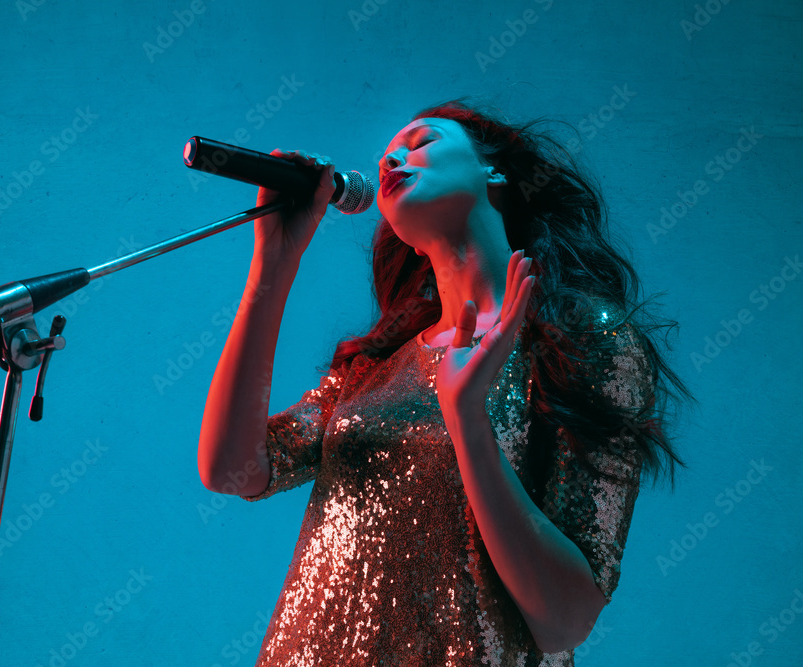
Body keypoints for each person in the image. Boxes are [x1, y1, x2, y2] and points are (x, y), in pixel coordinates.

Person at [198, 98, 694, 666]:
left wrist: (468, 420)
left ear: (495, 172)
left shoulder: (587, 340)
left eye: (420, 142)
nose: (392, 159)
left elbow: (564, 621)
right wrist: (274, 263)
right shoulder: (378, 365)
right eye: (385, 156)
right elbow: (230, 468)